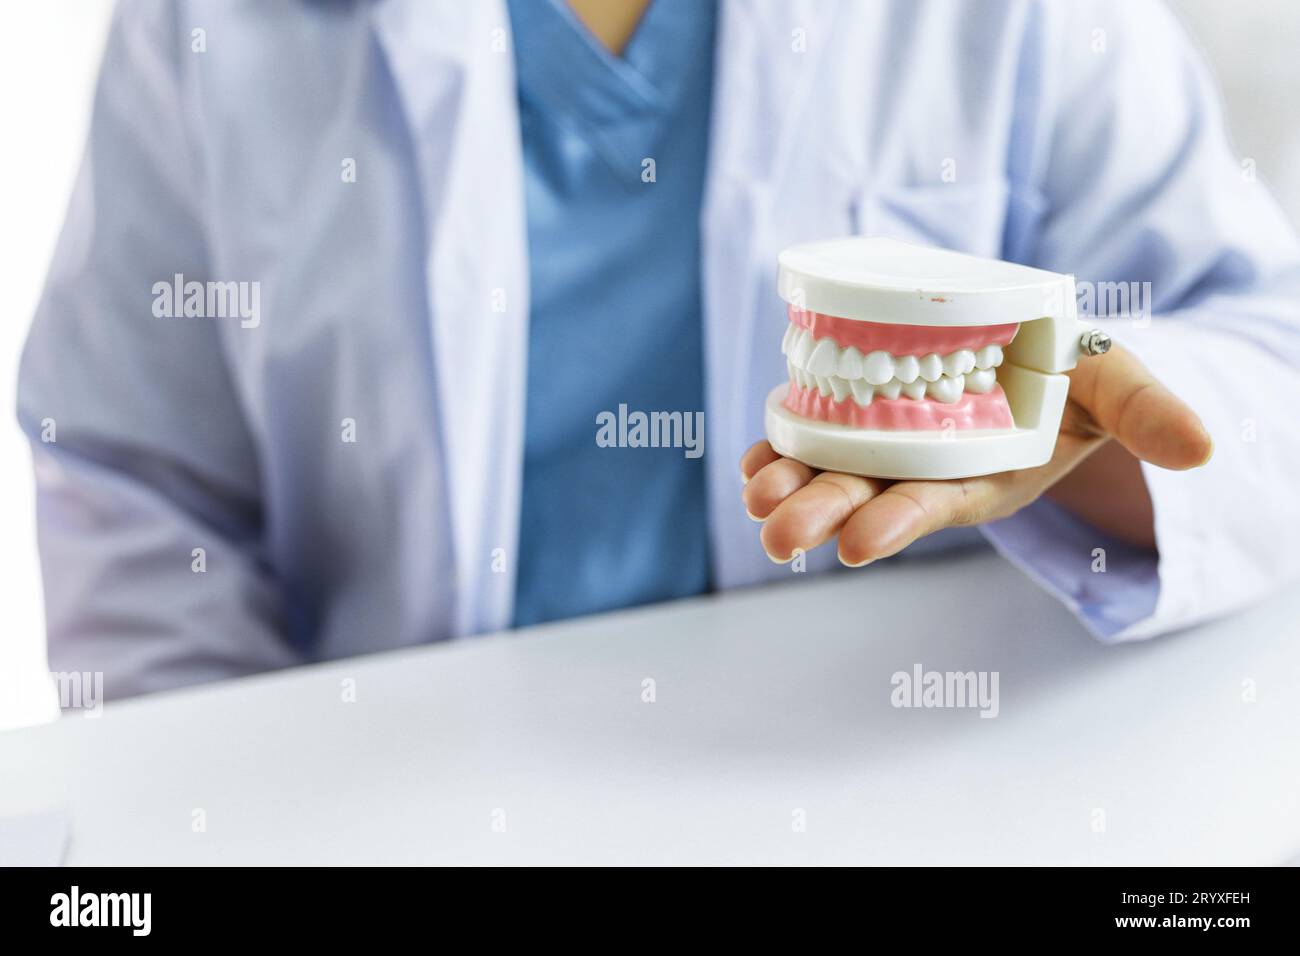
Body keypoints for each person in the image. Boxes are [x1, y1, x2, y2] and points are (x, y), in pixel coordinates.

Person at [18, 0, 1300, 699]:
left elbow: (1264, 368)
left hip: (879, 779)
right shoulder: (212, 29)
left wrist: (1054, 445)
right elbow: (132, 477)